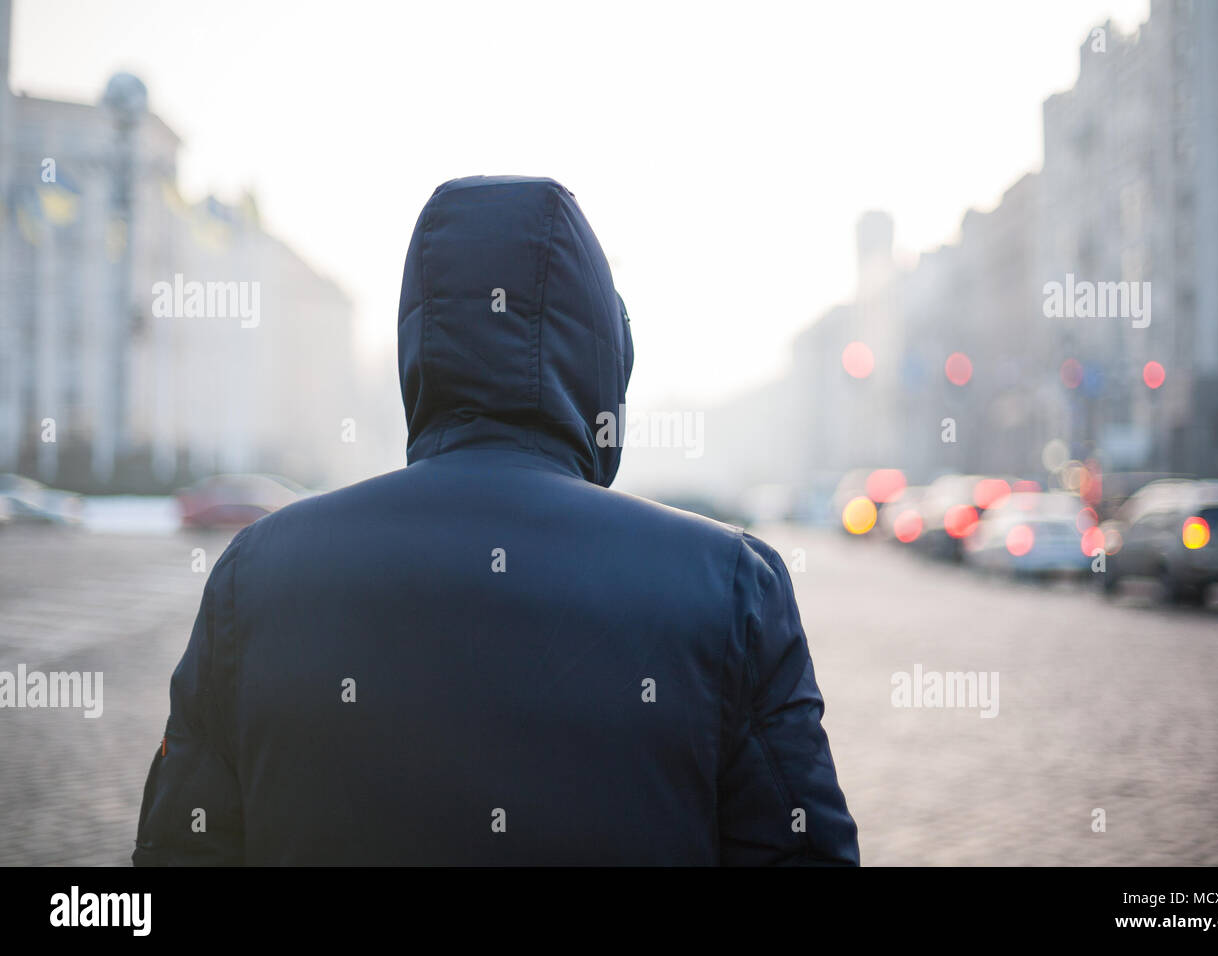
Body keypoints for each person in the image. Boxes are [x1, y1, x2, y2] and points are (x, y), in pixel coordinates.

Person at [133, 175, 858, 865]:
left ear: (419, 346)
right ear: (605, 354)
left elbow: (182, 851)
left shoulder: (258, 576)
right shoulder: (729, 587)